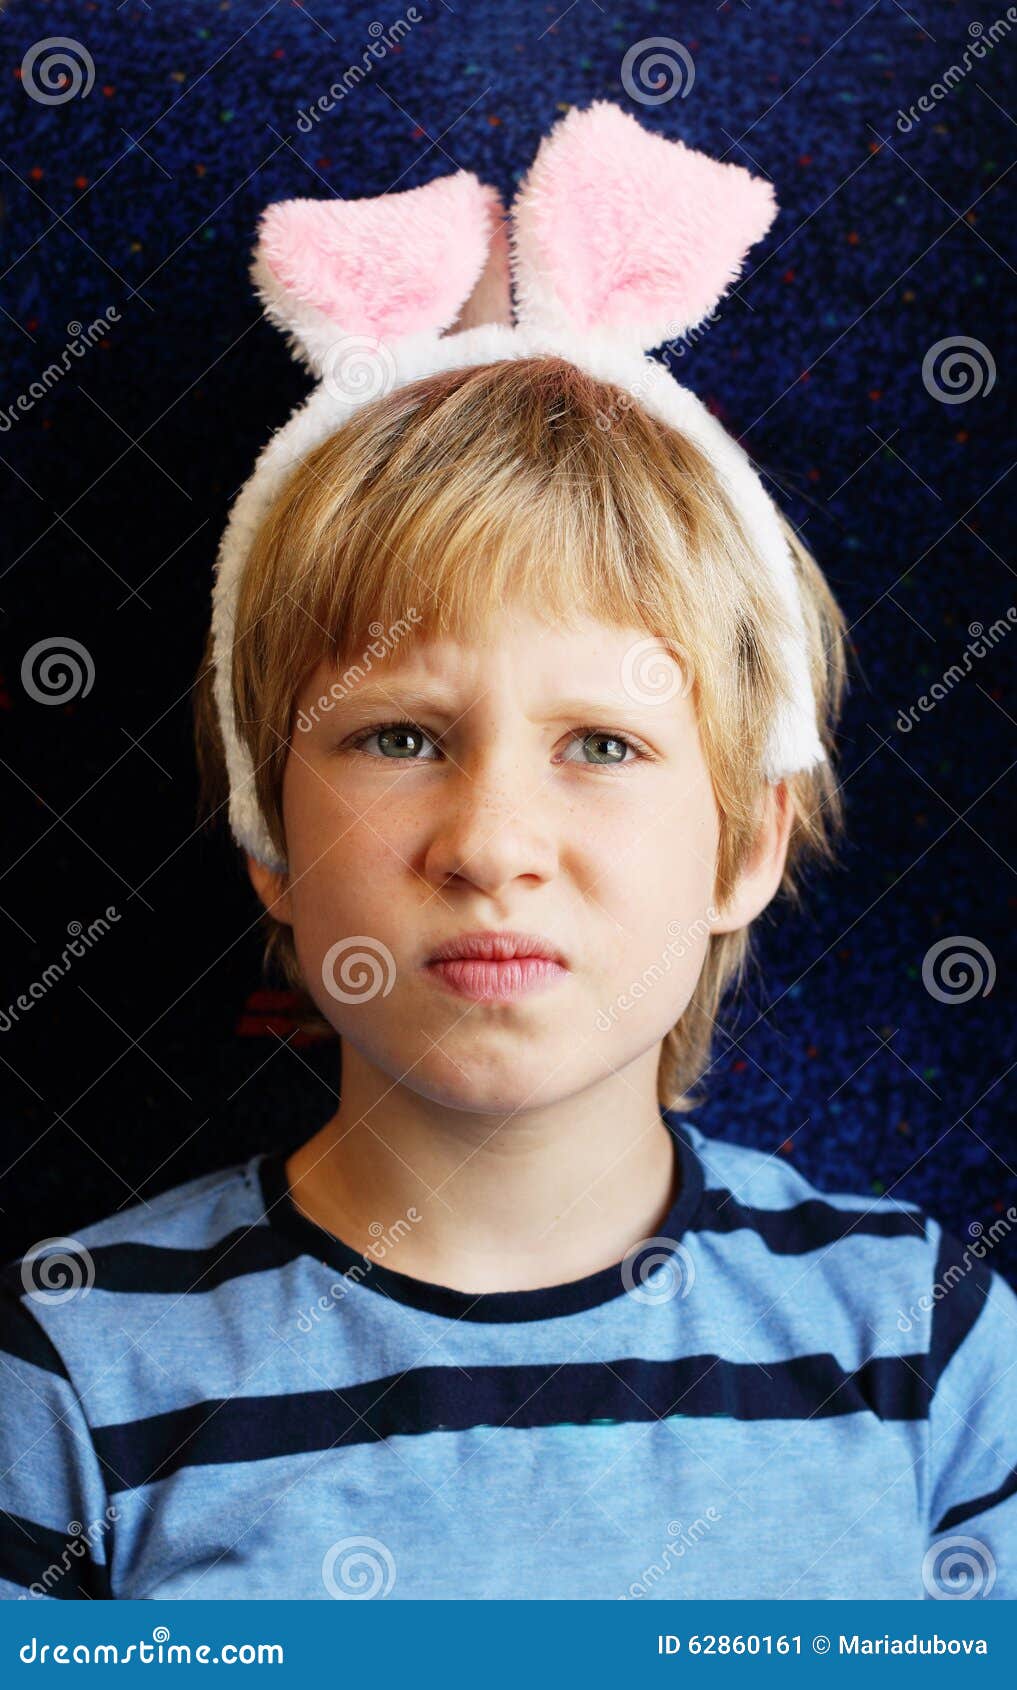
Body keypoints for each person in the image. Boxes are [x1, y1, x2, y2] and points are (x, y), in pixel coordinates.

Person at [2, 102, 1014, 1602]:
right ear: (270, 836)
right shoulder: (73, 1367)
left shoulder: (926, 1342)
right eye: (399, 738)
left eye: (602, 745)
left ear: (744, 840)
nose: (489, 845)